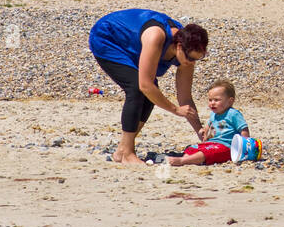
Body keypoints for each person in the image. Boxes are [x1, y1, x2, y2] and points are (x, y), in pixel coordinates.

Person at [88, 9, 208, 165]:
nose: (192, 63)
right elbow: (145, 86)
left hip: (134, 45)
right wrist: (175, 110)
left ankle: (122, 151)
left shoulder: (186, 54)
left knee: (152, 94)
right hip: (107, 38)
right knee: (138, 89)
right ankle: (128, 154)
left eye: (197, 59)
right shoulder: (156, 37)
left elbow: (185, 97)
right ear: (179, 46)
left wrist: (200, 131)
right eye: (191, 58)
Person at [168, 79, 249, 166]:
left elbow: (243, 128)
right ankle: (186, 159)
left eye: (216, 100)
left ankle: (182, 161)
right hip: (212, 143)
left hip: (227, 146)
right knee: (192, 148)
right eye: (210, 100)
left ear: (230, 101)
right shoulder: (213, 114)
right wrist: (204, 132)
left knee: (207, 152)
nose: (212, 103)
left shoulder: (233, 114)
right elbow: (208, 126)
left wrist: (244, 145)